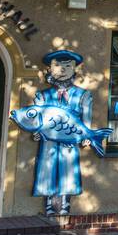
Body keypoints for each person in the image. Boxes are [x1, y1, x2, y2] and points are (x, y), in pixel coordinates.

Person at [30, 49, 93, 217]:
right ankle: (49, 203)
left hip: (70, 138)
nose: (63, 70)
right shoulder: (43, 95)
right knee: (47, 167)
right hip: (48, 138)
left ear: (75, 70)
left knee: (68, 168)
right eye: (57, 65)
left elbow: (86, 117)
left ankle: (64, 202)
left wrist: (86, 135)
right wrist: (37, 129)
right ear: (50, 69)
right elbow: (37, 116)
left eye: (68, 66)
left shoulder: (82, 95)